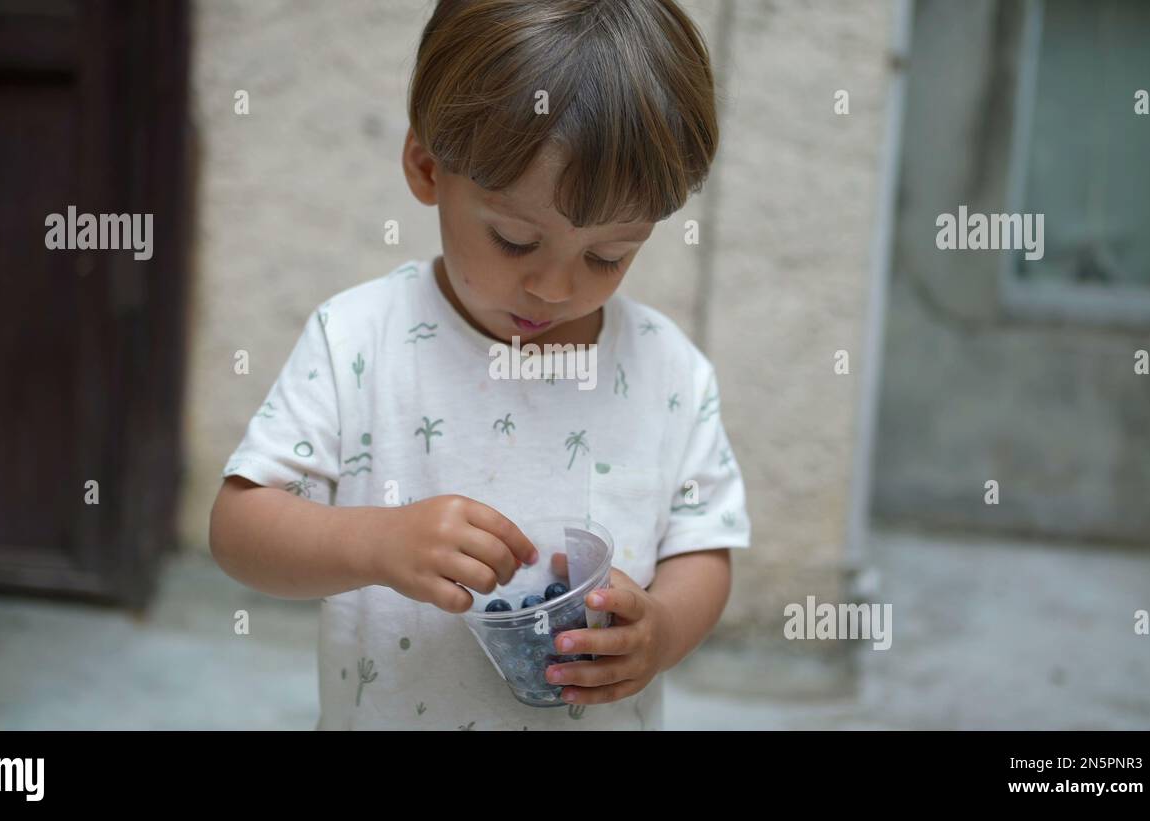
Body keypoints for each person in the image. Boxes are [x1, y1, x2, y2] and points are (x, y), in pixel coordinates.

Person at [209, 0, 750, 730]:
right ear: (427, 166)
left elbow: (704, 550)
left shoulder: (669, 376)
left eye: (607, 255)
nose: (554, 288)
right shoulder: (361, 341)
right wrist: (376, 540)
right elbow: (240, 529)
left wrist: (660, 630)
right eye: (514, 240)